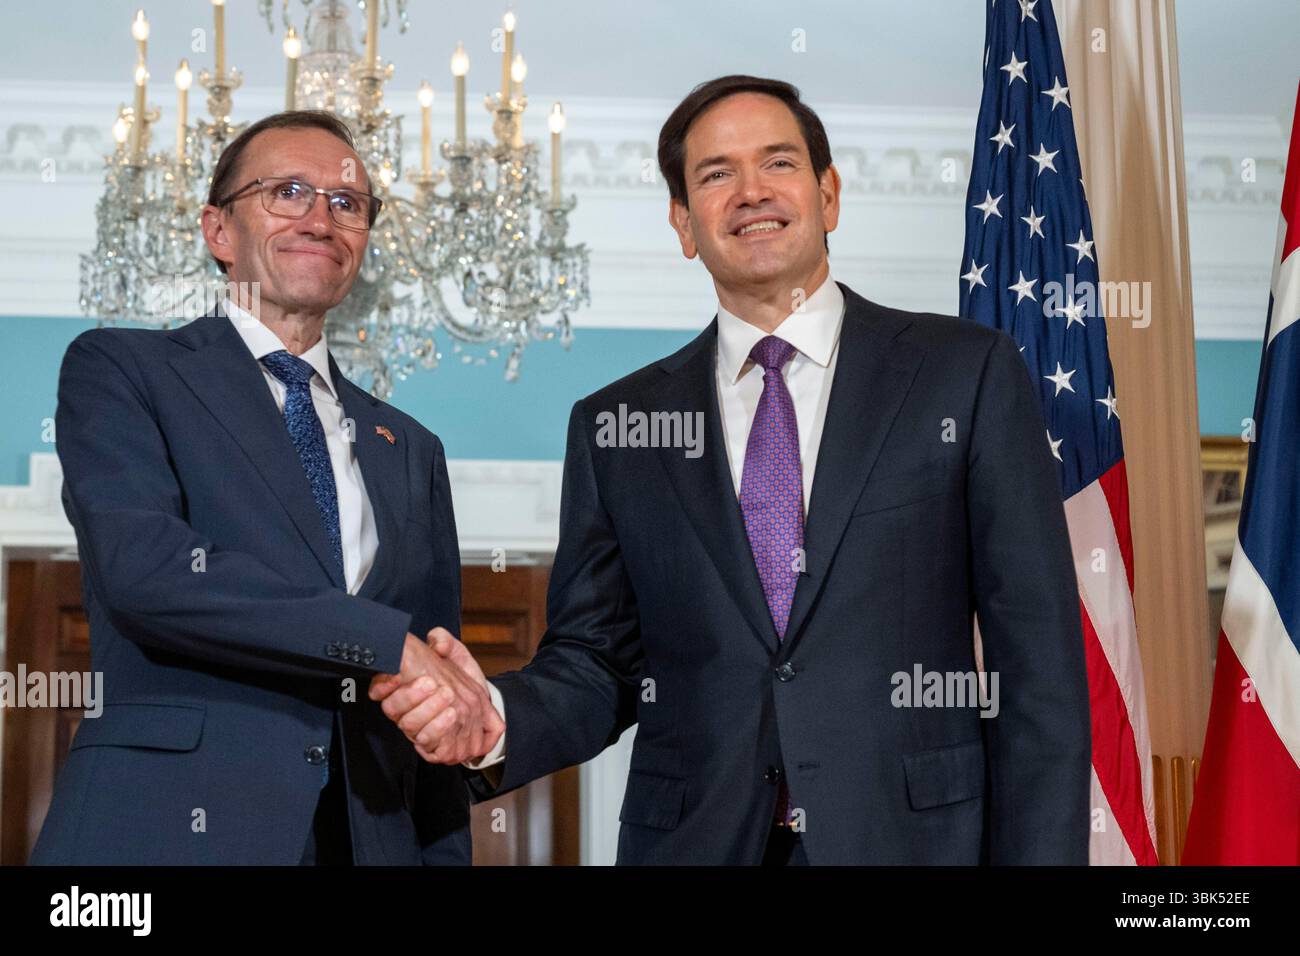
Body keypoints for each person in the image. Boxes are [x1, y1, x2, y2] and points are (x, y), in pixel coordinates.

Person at [372, 76, 1091, 865]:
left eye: (777, 164)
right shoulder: (615, 425)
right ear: (684, 222)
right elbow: (598, 663)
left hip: (915, 840)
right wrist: (496, 718)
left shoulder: (965, 374)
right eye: (716, 174)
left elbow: (1038, 667)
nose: (750, 192)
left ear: (828, 194)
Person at [31, 110, 500, 865]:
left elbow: (432, 690)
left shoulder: (411, 447)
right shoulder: (123, 370)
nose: (322, 218)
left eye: (348, 204)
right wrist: (384, 645)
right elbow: (148, 572)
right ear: (219, 231)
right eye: (289, 192)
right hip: (163, 833)